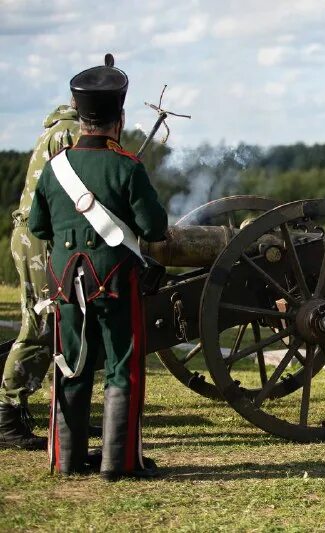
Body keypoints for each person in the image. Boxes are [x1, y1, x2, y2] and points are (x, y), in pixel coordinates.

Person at [28, 56, 168, 479]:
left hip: (65, 283)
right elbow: (154, 227)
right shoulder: (128, 166)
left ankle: (67, 461)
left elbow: (38, 225)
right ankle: (118, 464)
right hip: (114, 280)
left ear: (80, 116)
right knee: (121, 366)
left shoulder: (55, 170)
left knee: (70, 363)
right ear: (119, 117)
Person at [0, 105, 79, 450]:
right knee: (42, 324)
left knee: (58, 324)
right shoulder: (70, 133)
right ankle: (6, 414)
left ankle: (66, 412)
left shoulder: (56, 128)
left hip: (35, 234)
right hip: (40, 238)